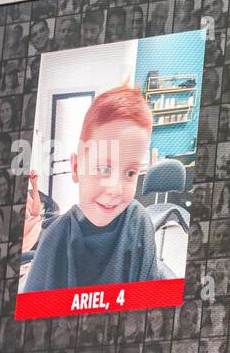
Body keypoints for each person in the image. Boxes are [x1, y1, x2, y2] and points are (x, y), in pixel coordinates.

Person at [22, 85, 167, 292]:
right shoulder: (55, 240)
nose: (115, 189)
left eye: (130, 173)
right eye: (104, 168)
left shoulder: (138, 223)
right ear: (76, 167)